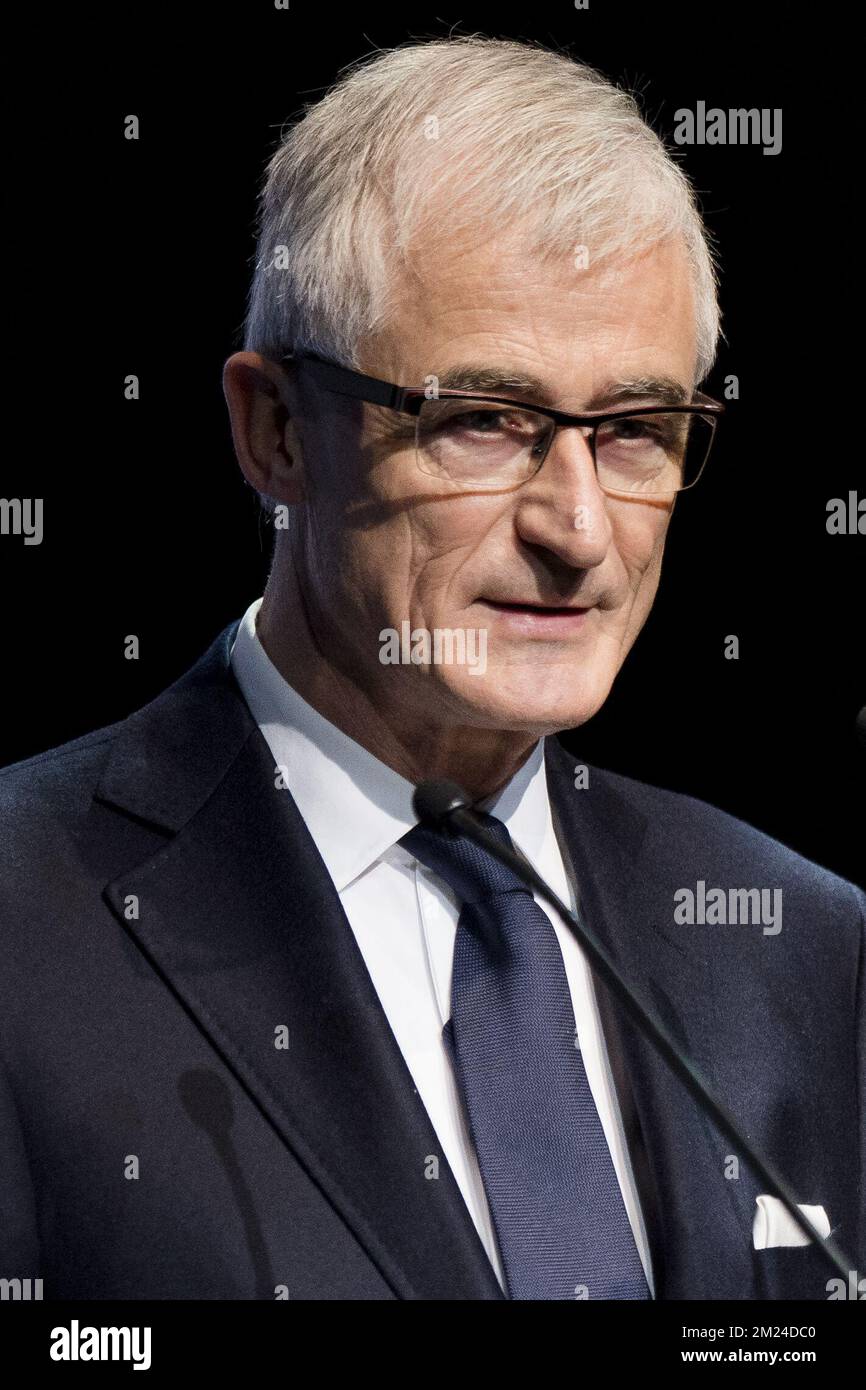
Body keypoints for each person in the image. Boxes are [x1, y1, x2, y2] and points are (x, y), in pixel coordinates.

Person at [1, 36, 862, 1301]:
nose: (576, 530)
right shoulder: (23, 918)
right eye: (484, 422)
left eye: (633, 431)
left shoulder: (803, 943)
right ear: (275, 430)